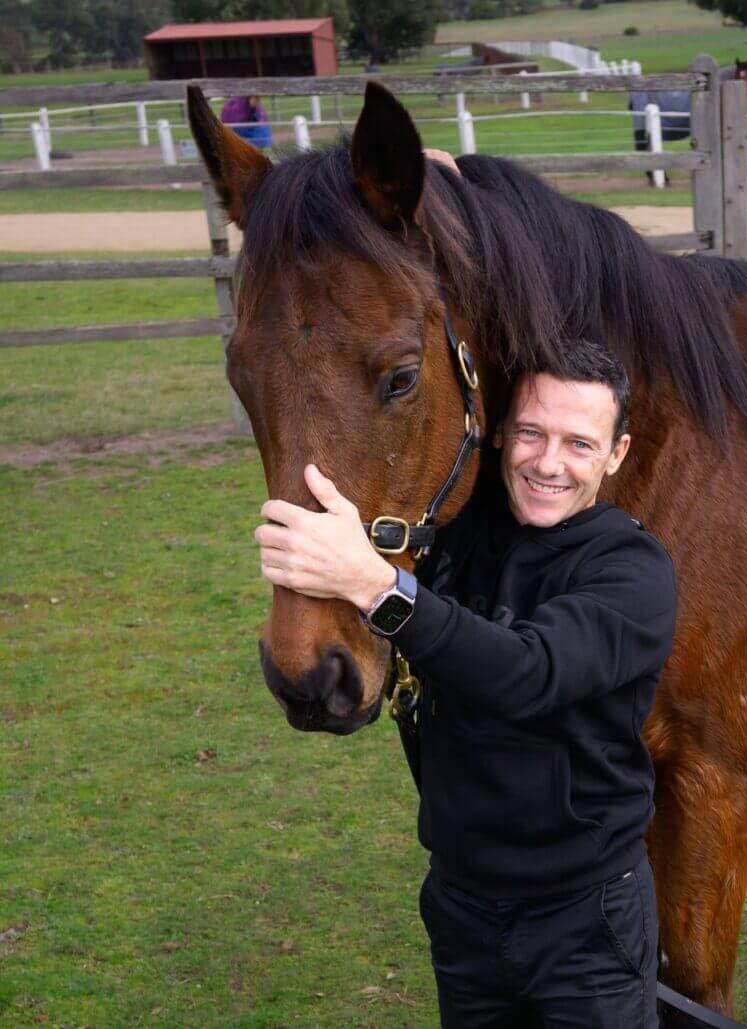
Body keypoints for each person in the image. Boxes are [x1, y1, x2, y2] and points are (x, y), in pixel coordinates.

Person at [253, 341, 677, 1027]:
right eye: (533, 432)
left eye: (578, 443)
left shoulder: (634, 572)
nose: (549, 462)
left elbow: (527, 673)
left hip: (586, 920)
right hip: (462, 910)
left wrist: (375, 585)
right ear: (501, 431)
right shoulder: (454, 543)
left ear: (616, 454)